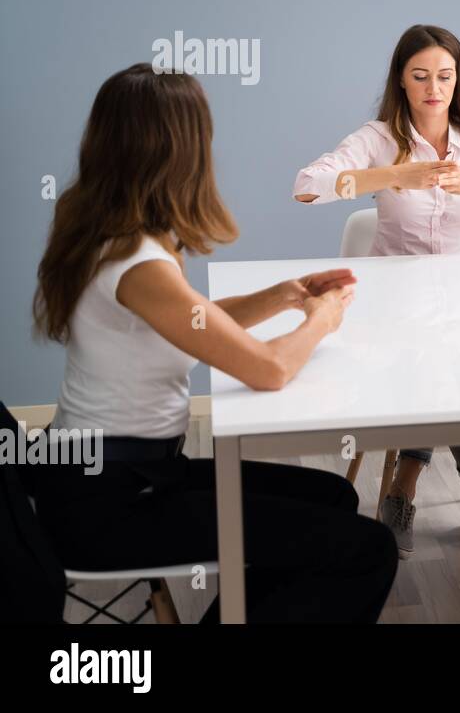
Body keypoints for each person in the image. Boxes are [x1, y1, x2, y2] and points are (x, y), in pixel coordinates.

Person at [30, 64, 397, 623]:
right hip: (109, 507)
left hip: (113, 479)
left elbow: (186, 321)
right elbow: (270, 370)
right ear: (177, 149)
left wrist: (286, 296)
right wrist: (322, 319)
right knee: (367, 552)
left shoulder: (97, 222)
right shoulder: (140, 261)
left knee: (334, 500)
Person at [294, 25, 460, 554]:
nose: (433, 88)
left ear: (459, 79)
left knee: (455, 350)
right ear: (402, 80)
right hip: (388, 305)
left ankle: (405, 482)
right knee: (442, 357)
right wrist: (391, 176)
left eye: (444, 76)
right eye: (420, 77)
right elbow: (306, 187)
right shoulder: (376, 139)